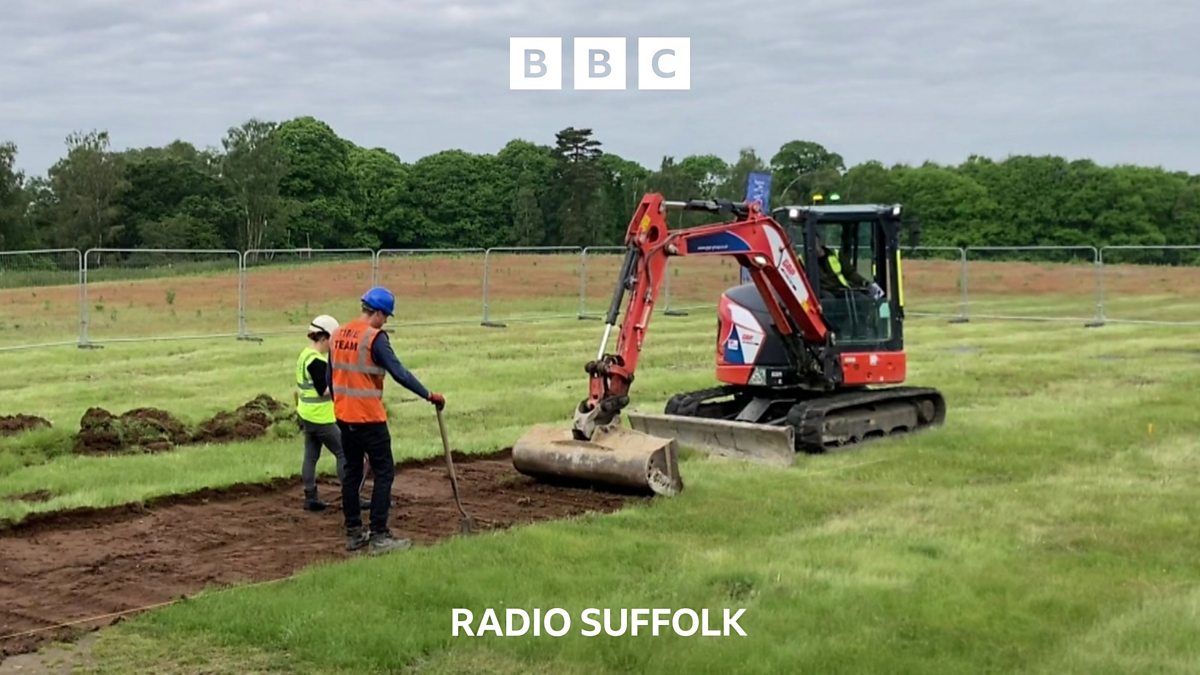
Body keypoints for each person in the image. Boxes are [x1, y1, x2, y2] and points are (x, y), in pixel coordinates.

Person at [329, 286, 446, 554]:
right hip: (368, 418)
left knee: (352, 473)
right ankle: (379, 536)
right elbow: (399, 373)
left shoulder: (337, 334)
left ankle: (354, 533)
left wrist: (339, 406)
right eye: (387, 316)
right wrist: (429, 395)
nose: (386, 322)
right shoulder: (374, 338)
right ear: (379, 313)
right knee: (384, 472)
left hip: (343, 416)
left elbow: (330, 376)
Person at [296, 315, 350, 512]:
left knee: (311, 456)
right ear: (324, 337)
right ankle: (350, 495)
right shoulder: (317, 362)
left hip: (306, 414)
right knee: (343, 452)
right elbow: (325, 390)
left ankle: (310, 497)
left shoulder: (304, 355)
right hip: (321, 418)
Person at [815, 235, 884, 300]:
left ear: (820, 242)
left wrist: (864, 282)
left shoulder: (835, 255)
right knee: (829, 300)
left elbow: (850, 273)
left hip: (841, 289)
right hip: (824, 291)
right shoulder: (809, 261)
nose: (814, 245)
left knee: (861, 298)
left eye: (815, 242)